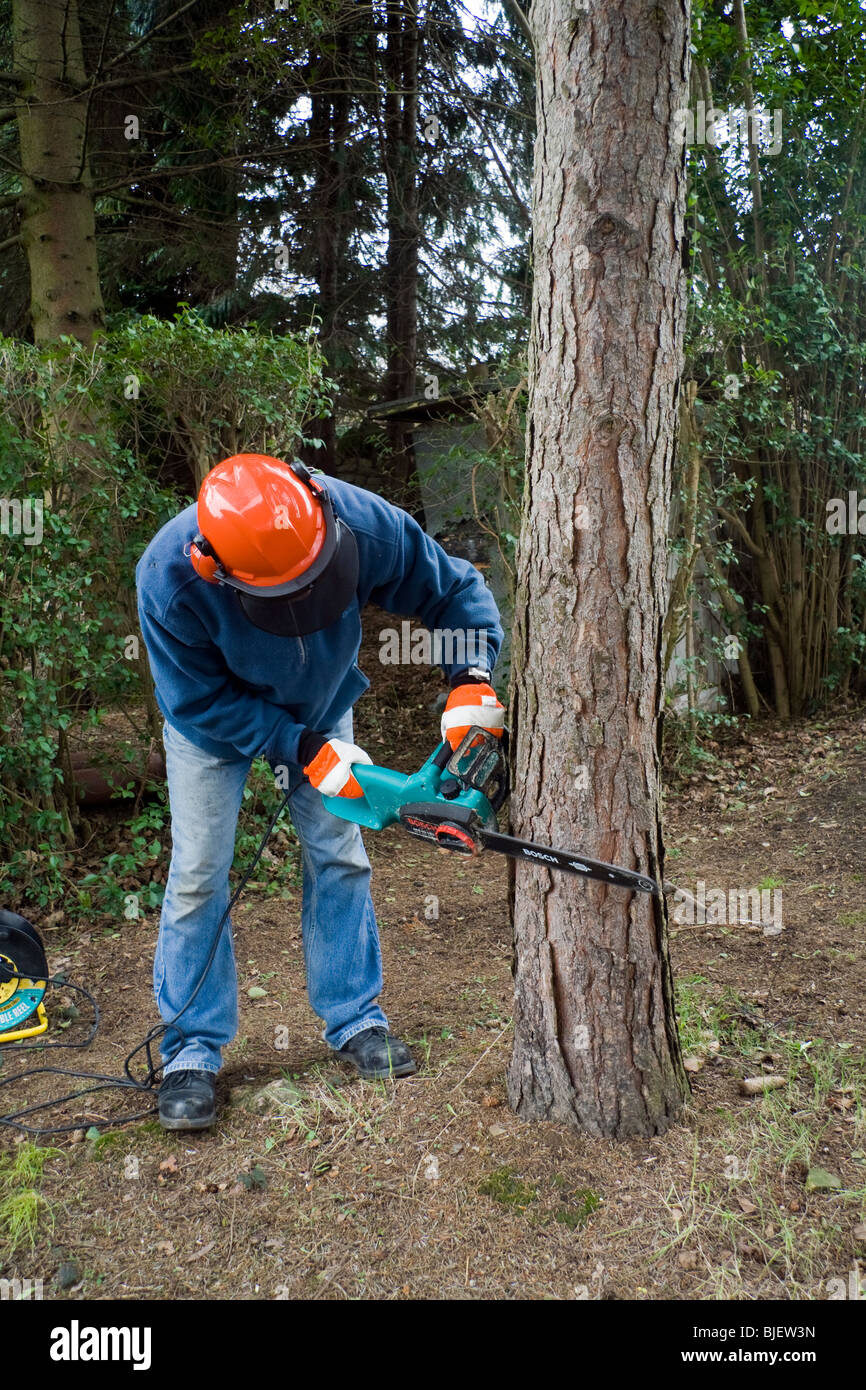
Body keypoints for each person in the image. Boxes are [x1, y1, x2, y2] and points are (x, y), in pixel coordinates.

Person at [135, 453, 504, 1130]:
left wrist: (471, 676)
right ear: (217, 568)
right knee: (197, 874)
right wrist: (298, 748)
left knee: (339, 854)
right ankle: (191, 1050)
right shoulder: (170, 578)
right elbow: (195, 700)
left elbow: (451, 591)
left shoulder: (359, 520)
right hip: (214, 731)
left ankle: (355, 1018)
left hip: (325, 704)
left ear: (319, 510)